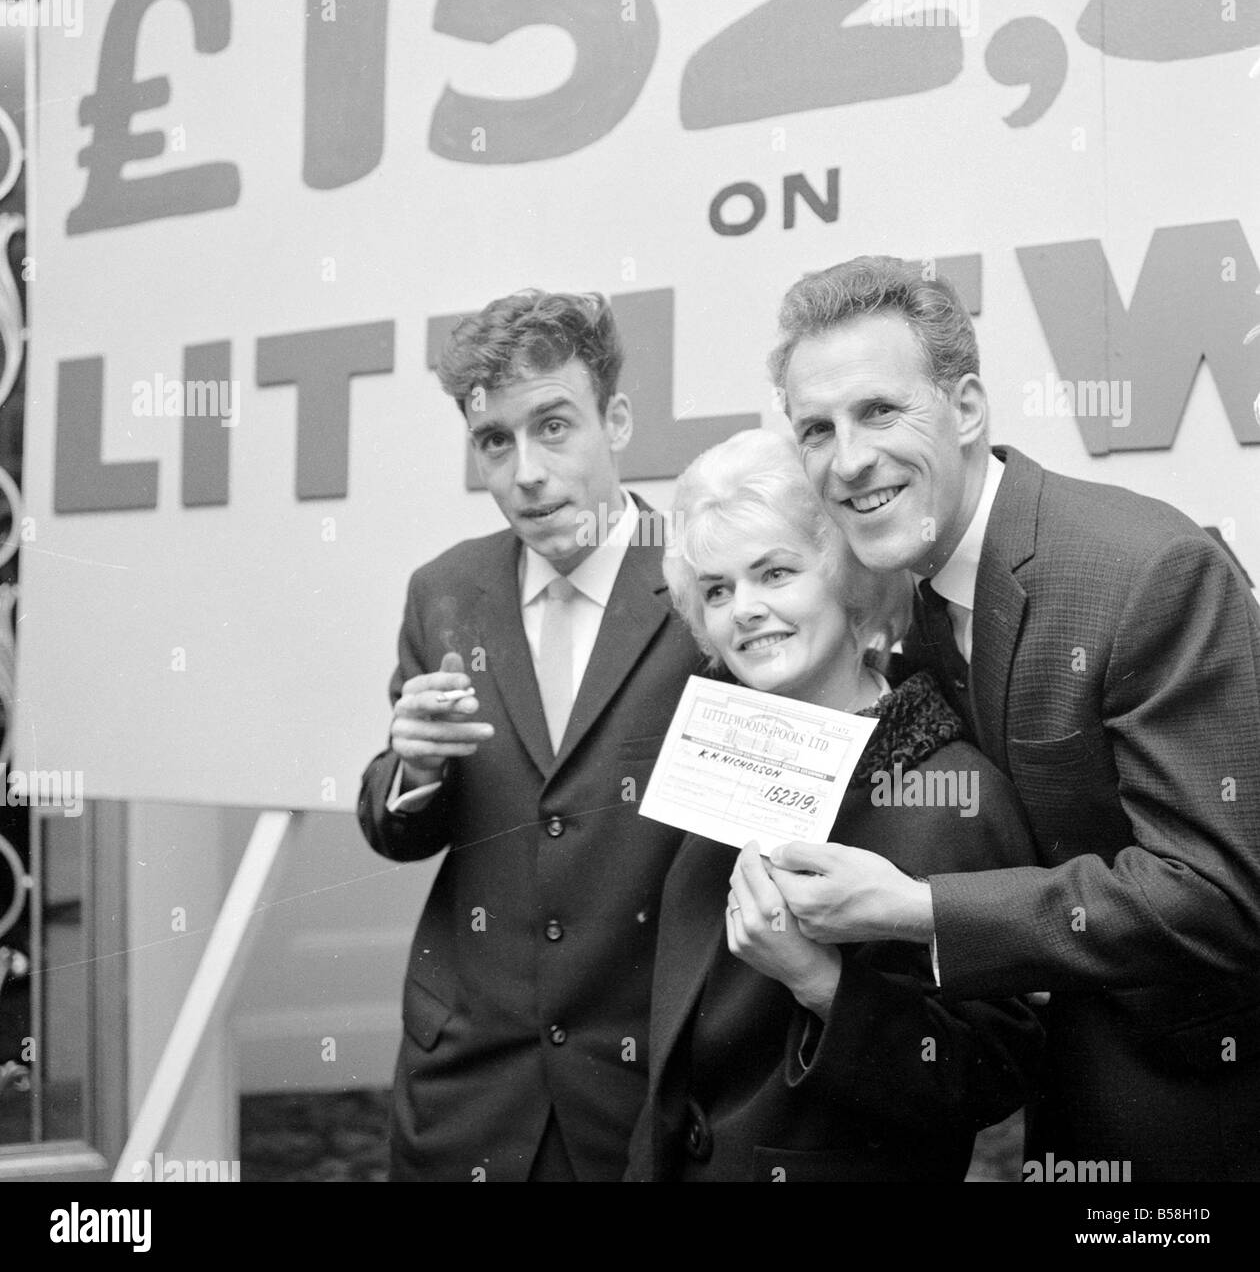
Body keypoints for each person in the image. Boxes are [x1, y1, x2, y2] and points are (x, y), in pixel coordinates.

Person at [767, 255, 1260, 1180]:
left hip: (1200, 1115)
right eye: (815, 430)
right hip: (1057, 1107)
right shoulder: (899, 598)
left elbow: (1222, 894)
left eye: (879, 410)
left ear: (967, 409)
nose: (849, 459)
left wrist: (916, 910)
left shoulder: (1145, 571)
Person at [625, 428, 1042, 1182]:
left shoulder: (954, 791)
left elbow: (992, 1075)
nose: (744, 609)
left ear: (849, 577)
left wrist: (820, 981)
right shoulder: (710, 761)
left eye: (775, 573)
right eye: (717, 589)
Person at [357, 290, 703, 1181]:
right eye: (494, 442)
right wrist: (413, 771)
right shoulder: (444, 589)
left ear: (616, 419)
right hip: (464, 1087)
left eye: (554, 427)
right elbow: (400, 826)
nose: (527, 473)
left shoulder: (709, 580)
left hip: (645, 1092)